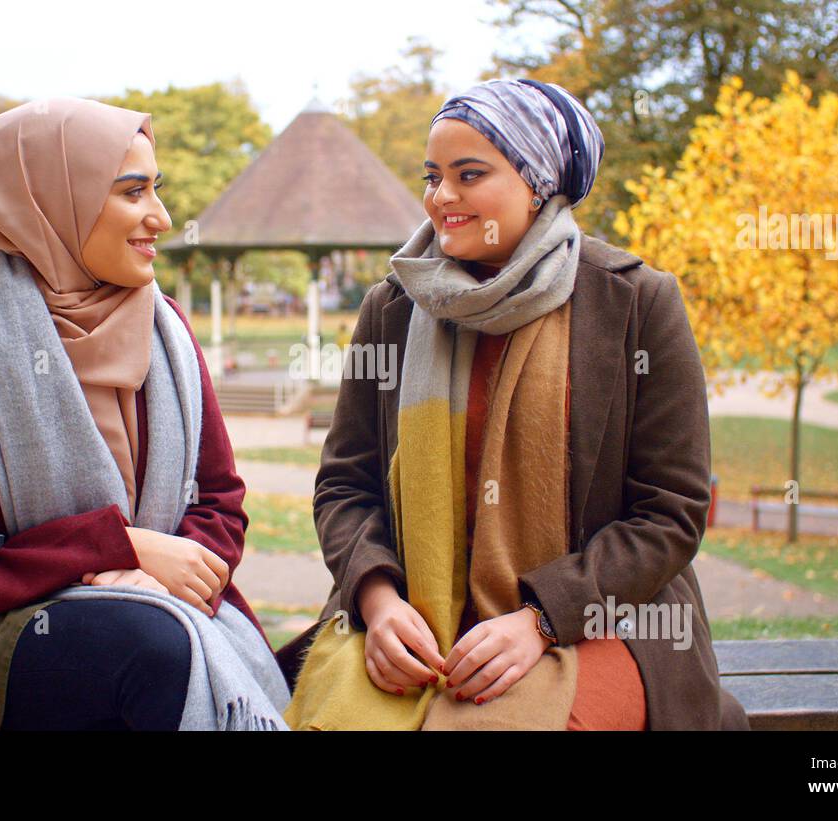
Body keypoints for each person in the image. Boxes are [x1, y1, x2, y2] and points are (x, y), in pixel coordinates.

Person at [279, 79, 749, 730]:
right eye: (433, 175)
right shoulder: (390, 310)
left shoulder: (636, 304)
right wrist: (379, 599)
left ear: (538, 182)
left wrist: (541, 620)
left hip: (602, 622)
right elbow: (344, 486)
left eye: (469, 174)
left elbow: (670, 513)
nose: (442, 197)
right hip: (416, 620)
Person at [0, 98, 287, 731]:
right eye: (132, 192)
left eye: (156, 191)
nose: (161, 218)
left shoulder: (167, 333)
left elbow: (220, 500)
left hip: (165, 615)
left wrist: (165, 577)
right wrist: (122, 550)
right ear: (52, 204)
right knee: (149, 645)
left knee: (163, 638)